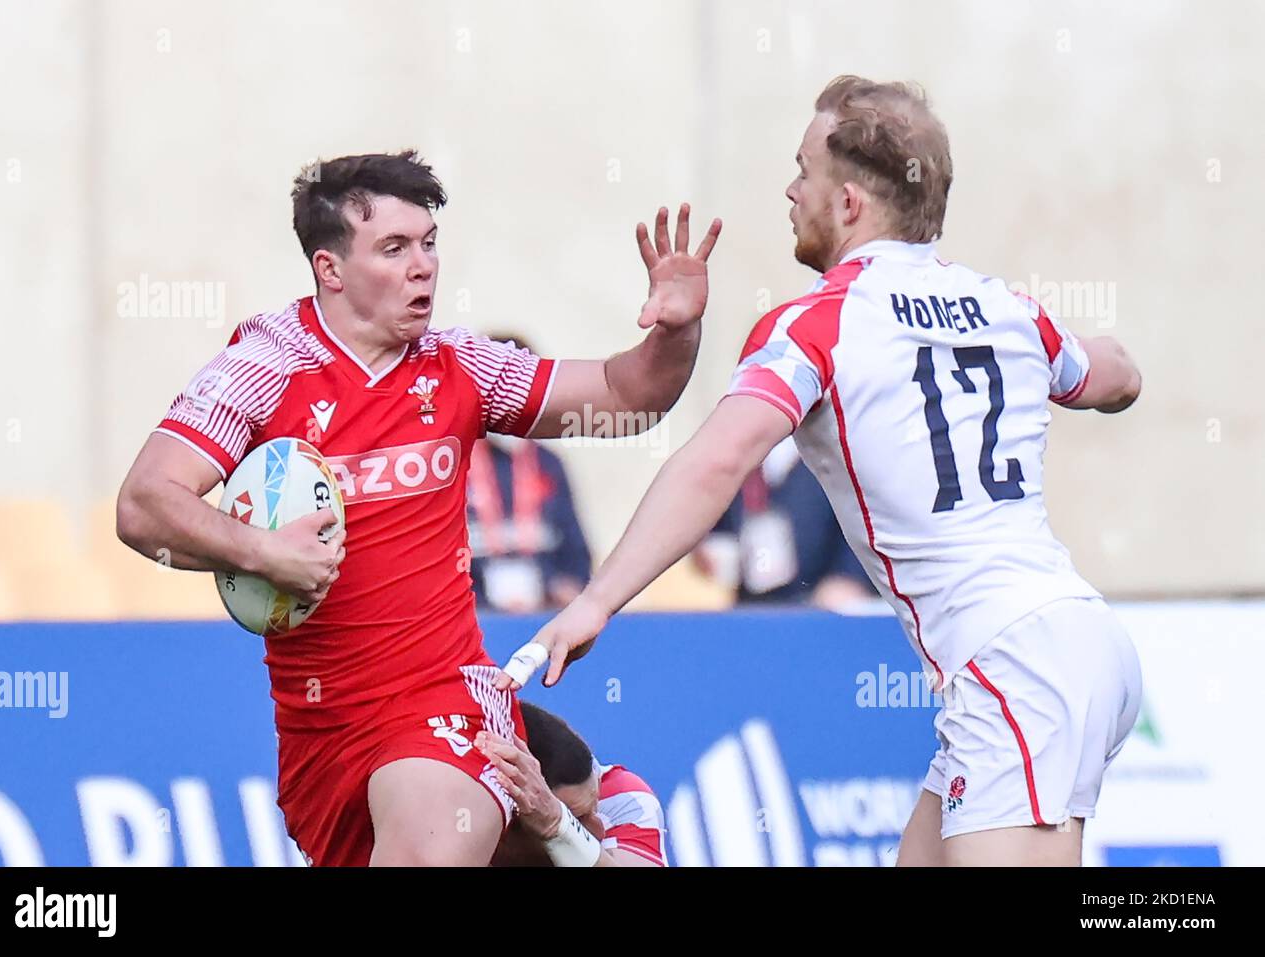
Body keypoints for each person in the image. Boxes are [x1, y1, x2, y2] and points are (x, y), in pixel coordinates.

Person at [498, 76, 1144, 868]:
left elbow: (715, 460)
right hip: (1063, 642)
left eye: (804, 169)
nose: (790, 188)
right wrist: (1076, 348)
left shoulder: (816, 323)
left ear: (847, 204)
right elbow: (1116, 377)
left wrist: (598, 602)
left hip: (1010, 659)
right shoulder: (1008, 309)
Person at [116, 151, 720, 866]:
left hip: (446, 707)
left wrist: (674, 334)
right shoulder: (267, 365)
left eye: (429, 243)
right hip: (320, 737)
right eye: (394, 248)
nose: (423, 265)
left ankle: (598, 805)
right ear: (329, 268)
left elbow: (627, 395)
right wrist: (261, 550)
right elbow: (145, 503)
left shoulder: (461, 364)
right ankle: (597, 811)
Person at [467, 333, 592, 613]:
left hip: (544, 613)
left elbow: (576, 550)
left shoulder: (548, 464)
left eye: (520, 389)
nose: (510, 401)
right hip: (474, 617)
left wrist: (563, 586)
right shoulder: (453, 462)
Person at [695, 435, 874, 609]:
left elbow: (865, 516)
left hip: (824, 601)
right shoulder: (739, 456)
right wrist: (708, 550)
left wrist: (852, 577)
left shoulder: (838, 451)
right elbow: (721, 525)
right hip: (753, 603)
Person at [482, 702, 666, 867]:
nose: (600, 831)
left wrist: (556, 825)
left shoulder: (619, 795)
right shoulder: (466, 817)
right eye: (574, 819)